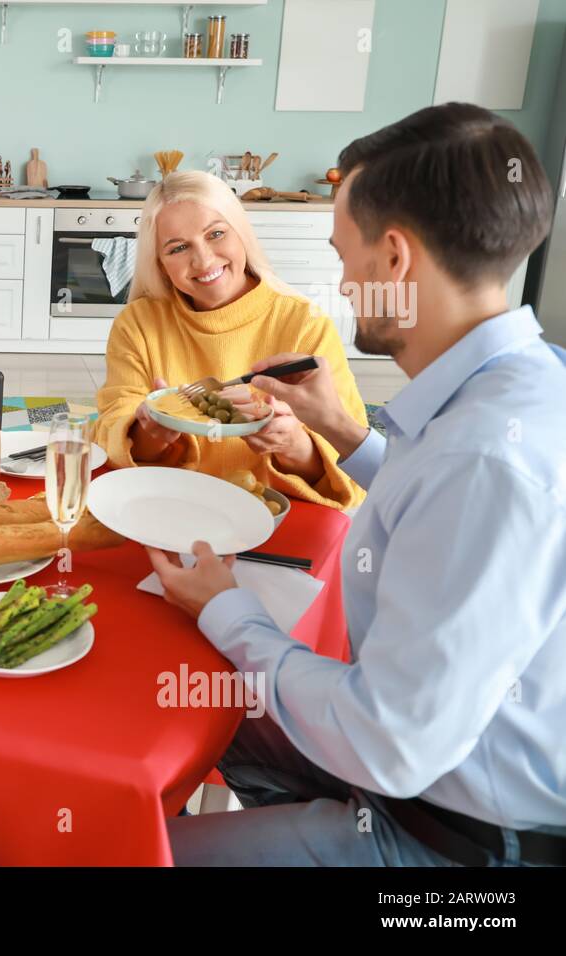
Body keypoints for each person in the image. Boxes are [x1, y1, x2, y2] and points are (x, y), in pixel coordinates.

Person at [152, 103, 566, 866]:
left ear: (396, 258)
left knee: (117, 852)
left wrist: (228, 608)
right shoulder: (519, 385)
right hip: (426, 768)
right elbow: (436, 503)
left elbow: (388, 744)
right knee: (169, 698)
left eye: (346, 256)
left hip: (445, 836)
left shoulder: (483, 464)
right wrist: (344, 433)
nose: (343, 284)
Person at [94, 171, 367, 509]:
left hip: (275, 520)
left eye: (217, 234)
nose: (203, 260)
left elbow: (355, 476)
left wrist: (293, 444)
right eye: (178, 248)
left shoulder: (305, 324)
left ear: (242, 235)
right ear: (161, 265)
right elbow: (109, 431)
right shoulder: (137, 324)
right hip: (166, 511)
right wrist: (148, 432)